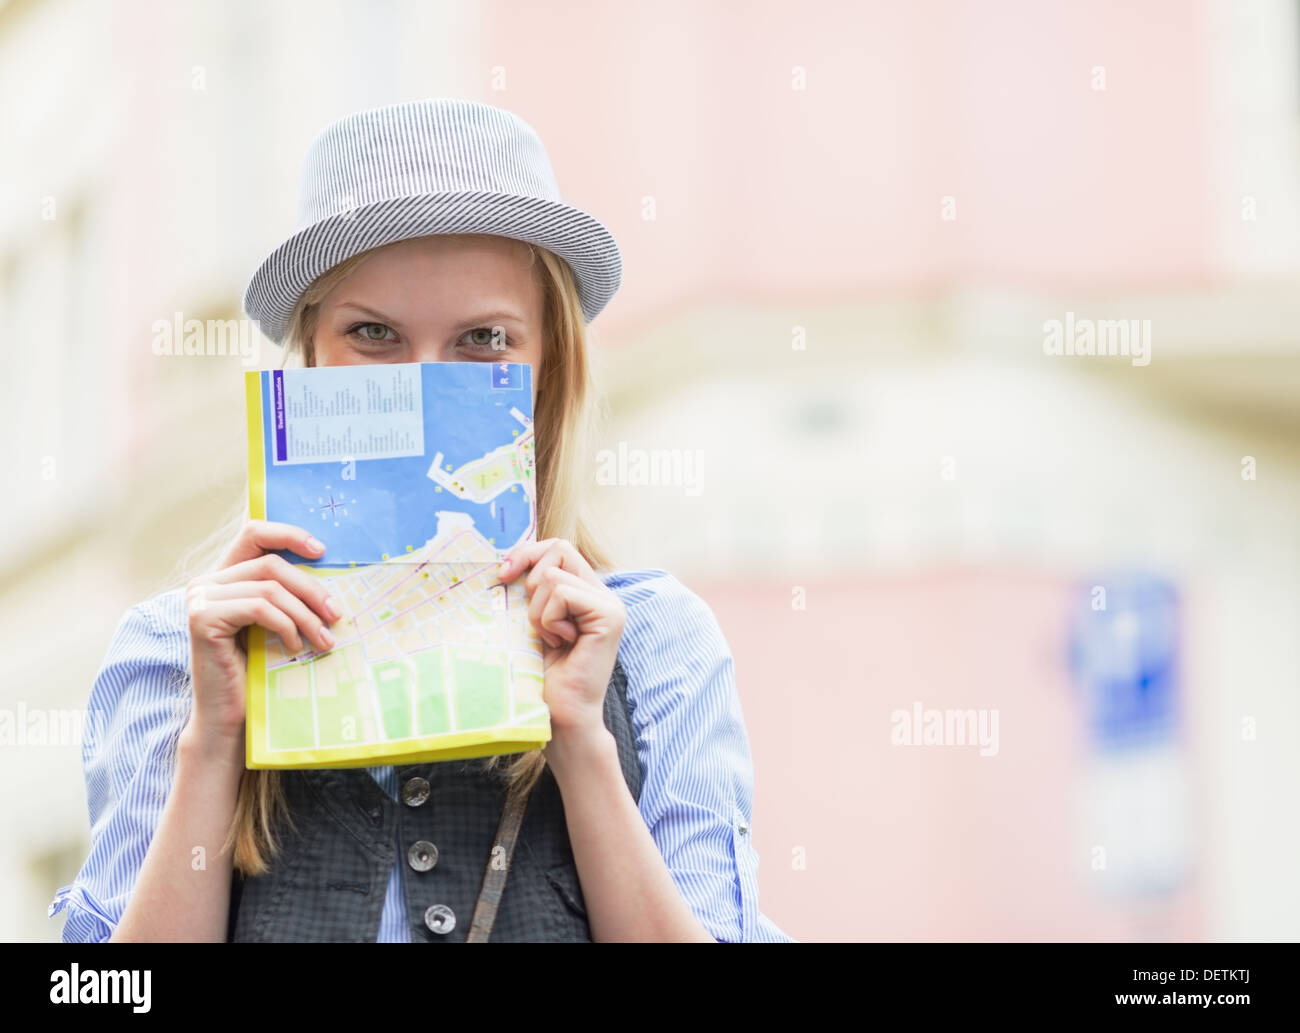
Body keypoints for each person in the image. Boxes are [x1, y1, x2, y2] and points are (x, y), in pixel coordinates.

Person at [48, 97, 794, 943]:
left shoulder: (655, 645)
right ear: (313, 359)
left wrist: (583, 741)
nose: (422, 386)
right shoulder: (171, 651)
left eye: (484, 338)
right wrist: (212, 741)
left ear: (547, 371)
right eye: (374, 333)